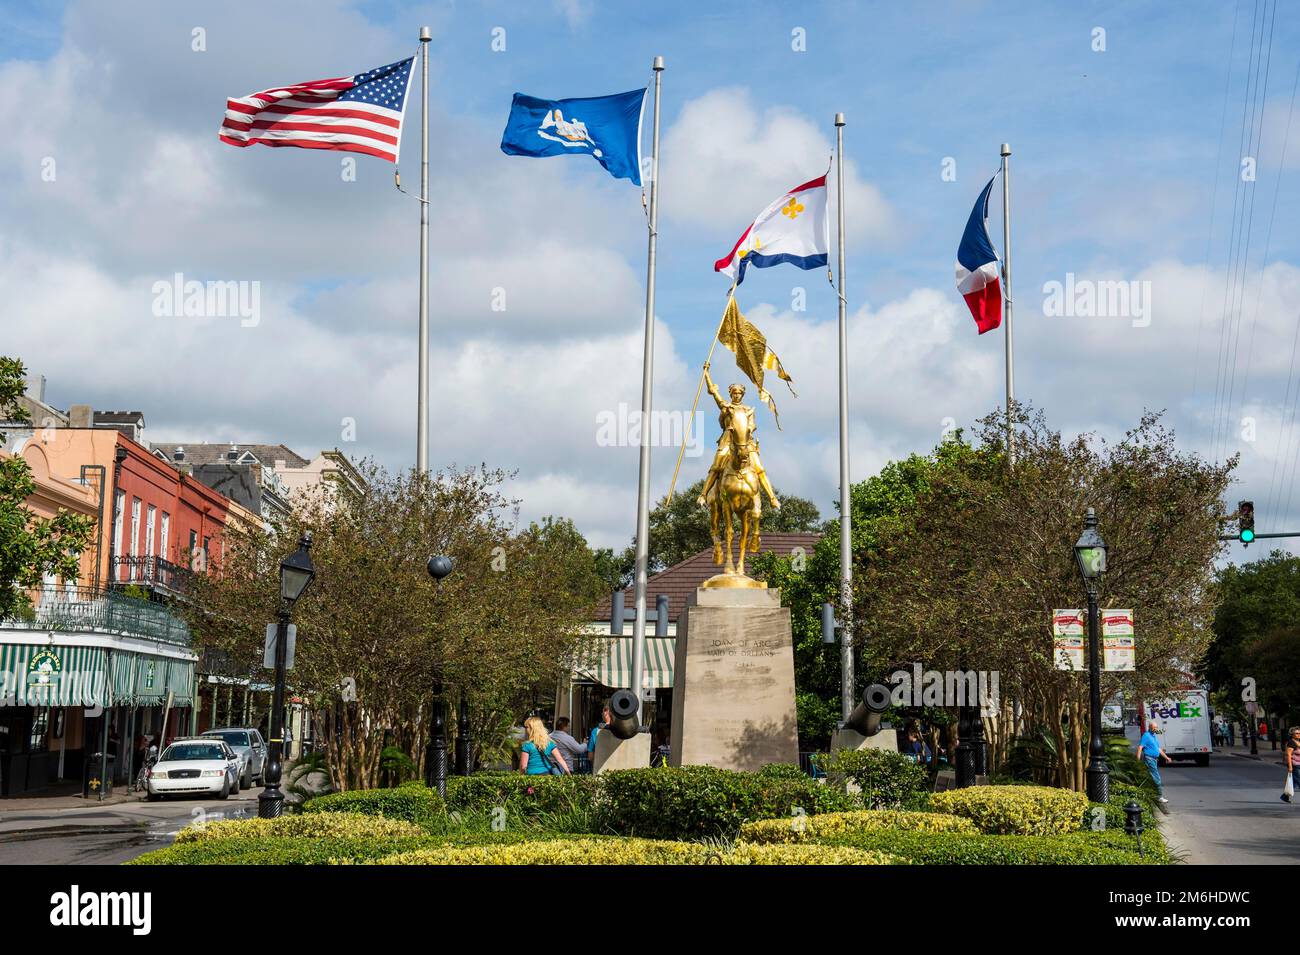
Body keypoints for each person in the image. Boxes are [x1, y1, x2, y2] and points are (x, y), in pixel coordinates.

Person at [1136, 720, 1170, 804]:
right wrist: (1137, 760)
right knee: (1156, 777)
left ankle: (1142, 794)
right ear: (1150, 727)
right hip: (1149, 759)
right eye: (1154, 727)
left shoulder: (1153, 736)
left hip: (1154, 759)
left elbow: (1158, 749)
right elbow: (1140, 747)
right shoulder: (1146, 735)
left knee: (1148, 777)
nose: (1156, 729)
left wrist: (1166, 757)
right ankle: (1159, 796)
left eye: (1156, 727)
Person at [1283, 726, 1300, 803]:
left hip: (1299, 764)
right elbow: (1289, 755)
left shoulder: (1298, 742)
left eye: (1299, 733)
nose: (1298, 734)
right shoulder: (1291, 743)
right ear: (1292, 734)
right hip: (1294, 765)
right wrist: (1290, 766)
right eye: (1296, 733)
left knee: (1293, 782)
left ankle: (1285, 796)